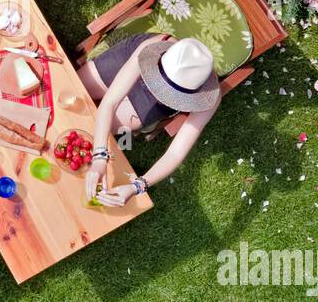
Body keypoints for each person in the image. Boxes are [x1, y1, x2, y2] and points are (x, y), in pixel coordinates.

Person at [79, 35, 221, 207]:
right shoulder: (151, 46)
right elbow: (110, 102)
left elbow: (175, 153)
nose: (158, 90)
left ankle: (124, 143)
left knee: (110, 127)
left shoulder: (209, 98)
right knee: (78, 92)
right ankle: (116, 145)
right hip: (132, 62)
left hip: (150, 102)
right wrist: (100, 156)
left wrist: (137, 186)